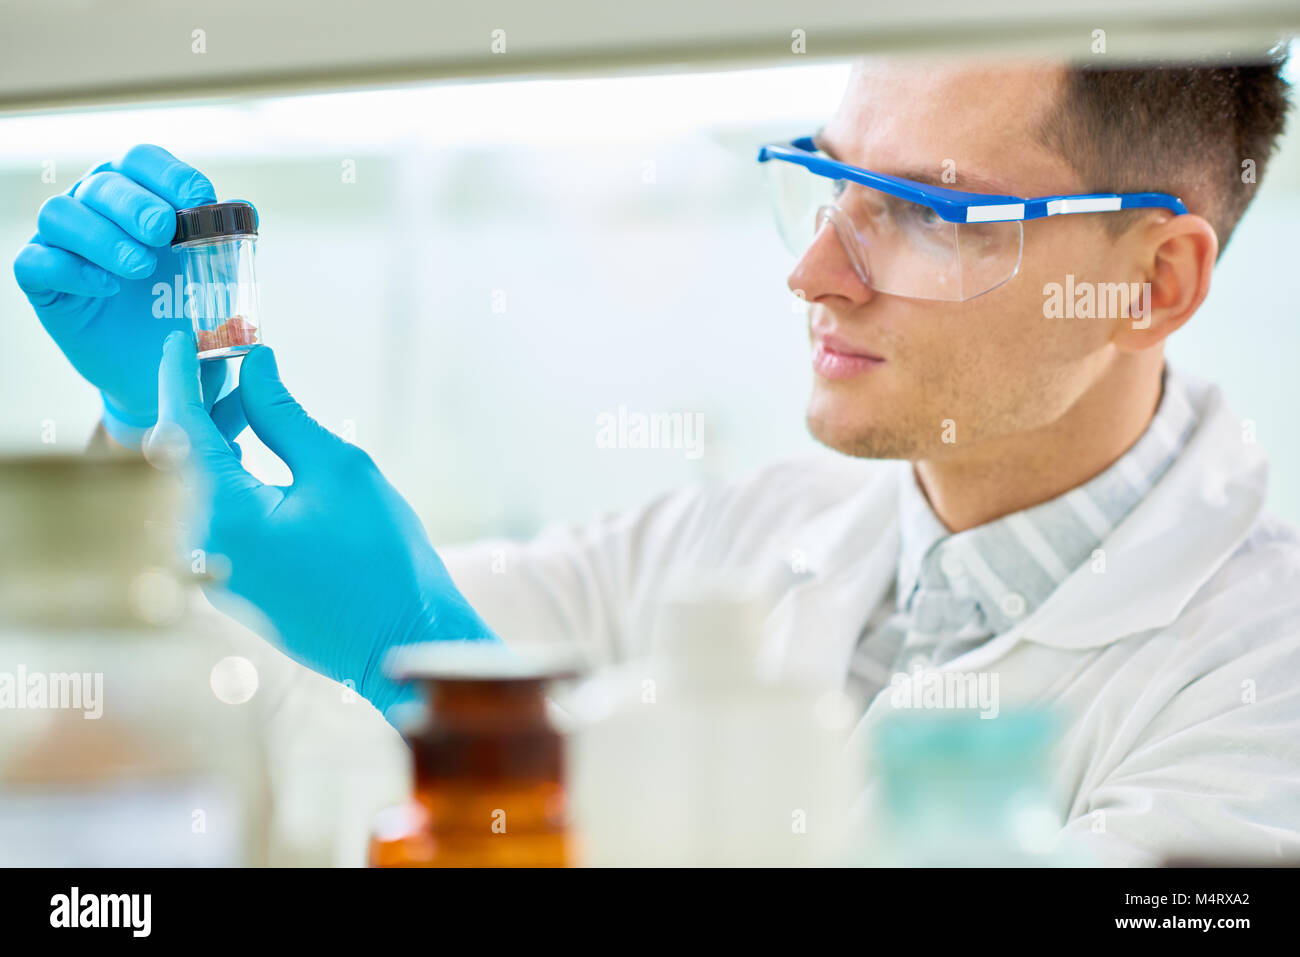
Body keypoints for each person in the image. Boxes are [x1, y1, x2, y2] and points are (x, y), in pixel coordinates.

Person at [12, 54, 1299, 866]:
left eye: (924, 214)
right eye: (828, 182)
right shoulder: (729, 546)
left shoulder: (1261, 699)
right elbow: (265, 728)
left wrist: (426, 665)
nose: (812, 272)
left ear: (1154, 281)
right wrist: (159, 455)